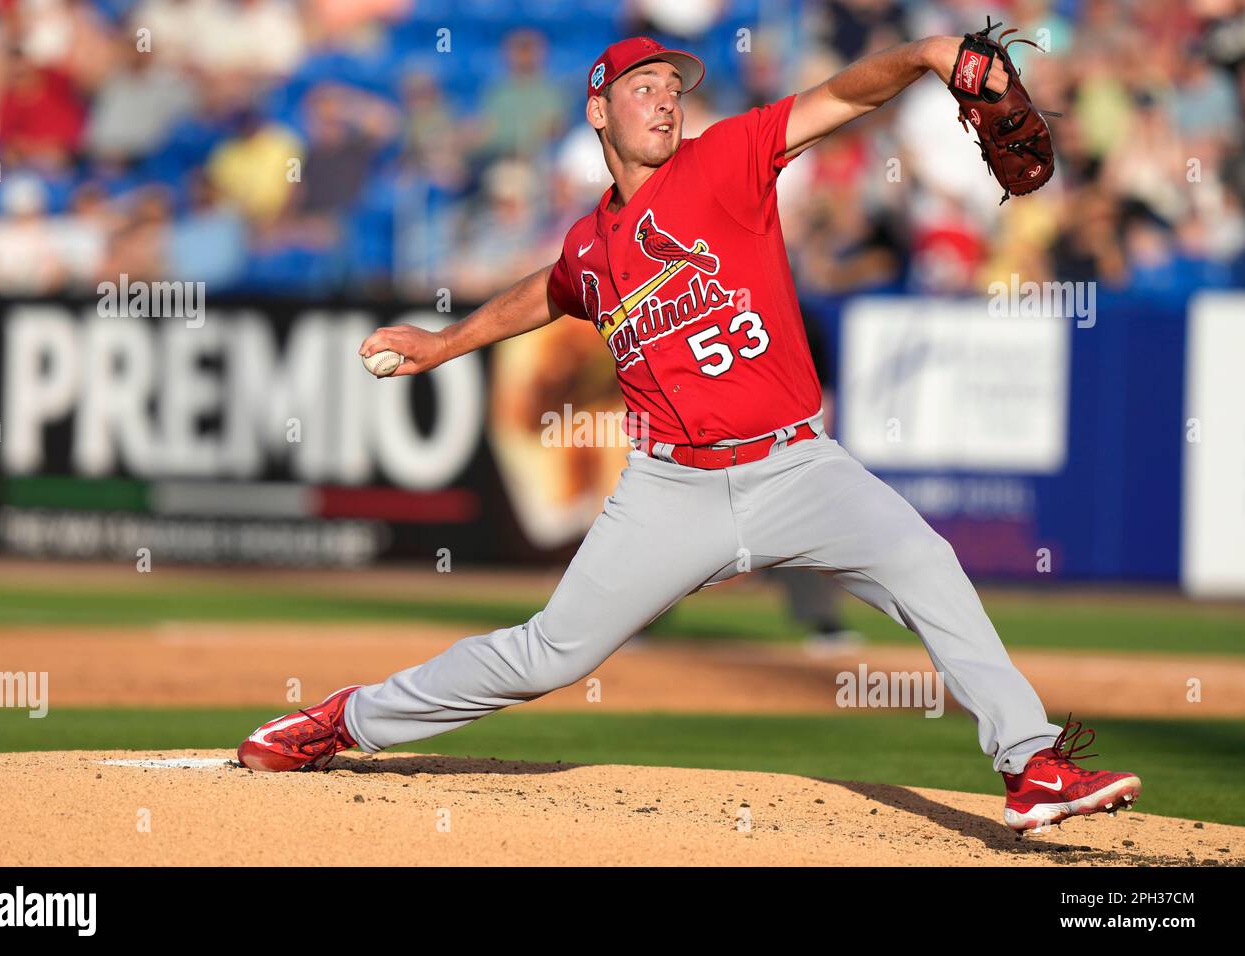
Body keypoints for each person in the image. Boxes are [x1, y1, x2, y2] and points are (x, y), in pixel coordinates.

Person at [238, 36, 1142, 834]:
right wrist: (443, 343)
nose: (668, 97)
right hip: (671, 493)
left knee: (926, 563)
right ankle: (343, 721)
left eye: (676, 85)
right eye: (645, 85)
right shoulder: (593, 244)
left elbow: (845, 97)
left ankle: (1031, 765)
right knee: (549, 653)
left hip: (798, 465)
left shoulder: (728, 158)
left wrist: (924, 55)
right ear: (598, 109)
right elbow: (548, 292)